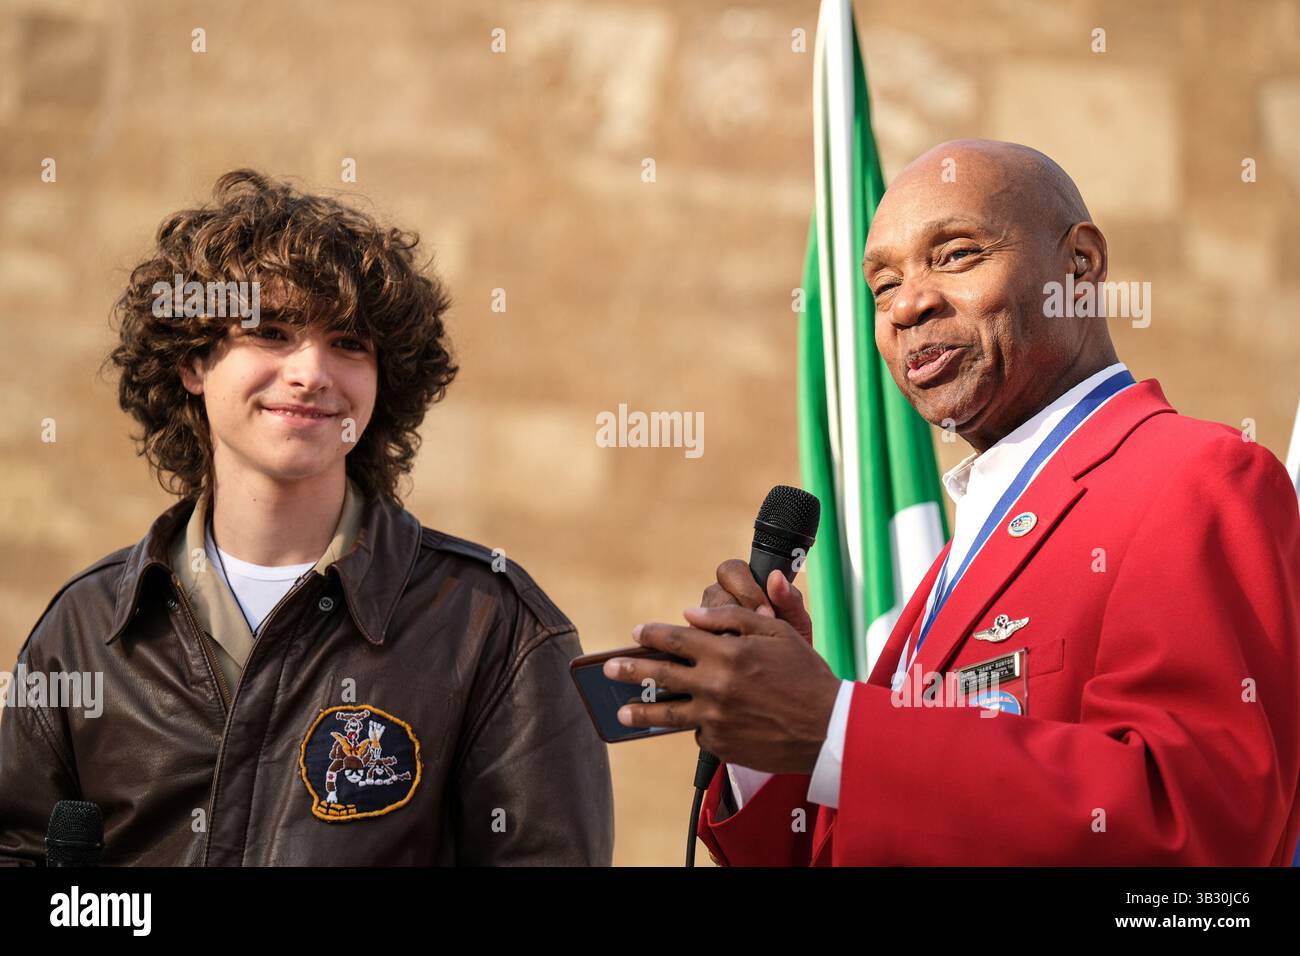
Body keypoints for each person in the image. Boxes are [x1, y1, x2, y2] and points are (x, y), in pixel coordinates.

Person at [605, 139, 1300, 865]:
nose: (908, 303)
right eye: (881, 287)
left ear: (1081, 266)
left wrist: (835, 726)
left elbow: (1197, 831)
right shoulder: (957, 562)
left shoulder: (1196, 477)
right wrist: (768, 740)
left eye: (958, 254)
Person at [0, 170, 613, 865]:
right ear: (195, 361)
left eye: (349, 343)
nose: (311, 371)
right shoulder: (84, 628)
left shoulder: (493, 628)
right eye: (271, 331)